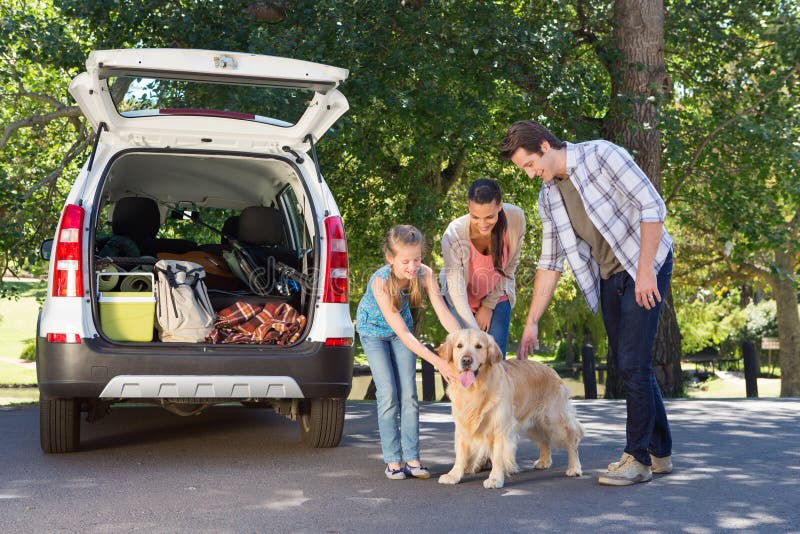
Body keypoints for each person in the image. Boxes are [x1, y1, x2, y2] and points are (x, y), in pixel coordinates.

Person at [500, 120, 675, 486]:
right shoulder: (549, 195)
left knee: (632, 362)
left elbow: (652, 205)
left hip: (646, 262)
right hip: (609, 275)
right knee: (631, 362)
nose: (530, 175)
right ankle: (660, 451)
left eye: (529, 165)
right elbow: (550, 263)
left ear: (545, 146)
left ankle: (638, 459)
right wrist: (532, 321)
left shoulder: (601, 155)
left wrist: (644, 272)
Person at [356, 225, 461, 480]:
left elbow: (442, 310)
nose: (412, 266)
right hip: (373, 332)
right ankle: (393, 461)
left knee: (410, 394)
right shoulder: (381, 282)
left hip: (401, 331)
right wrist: (440, 363)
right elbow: (404, 335)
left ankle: (413, 459)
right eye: (405, 261)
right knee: (389, 393)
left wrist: (462, 340)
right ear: (390, 259)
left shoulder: (424, 274)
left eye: (417, 259)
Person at [440, 178, 526, 357]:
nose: (482, 224)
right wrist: (475, 333)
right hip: (461, 301)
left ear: (500, 205)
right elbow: (456, 291)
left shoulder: (515, 218)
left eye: (490, 217)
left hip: (498, 293)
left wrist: (488, 306)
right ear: (469, 208)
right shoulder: (454, 234)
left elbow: (510, 267)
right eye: (475, 217)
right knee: (466, 358)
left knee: (494, 359)